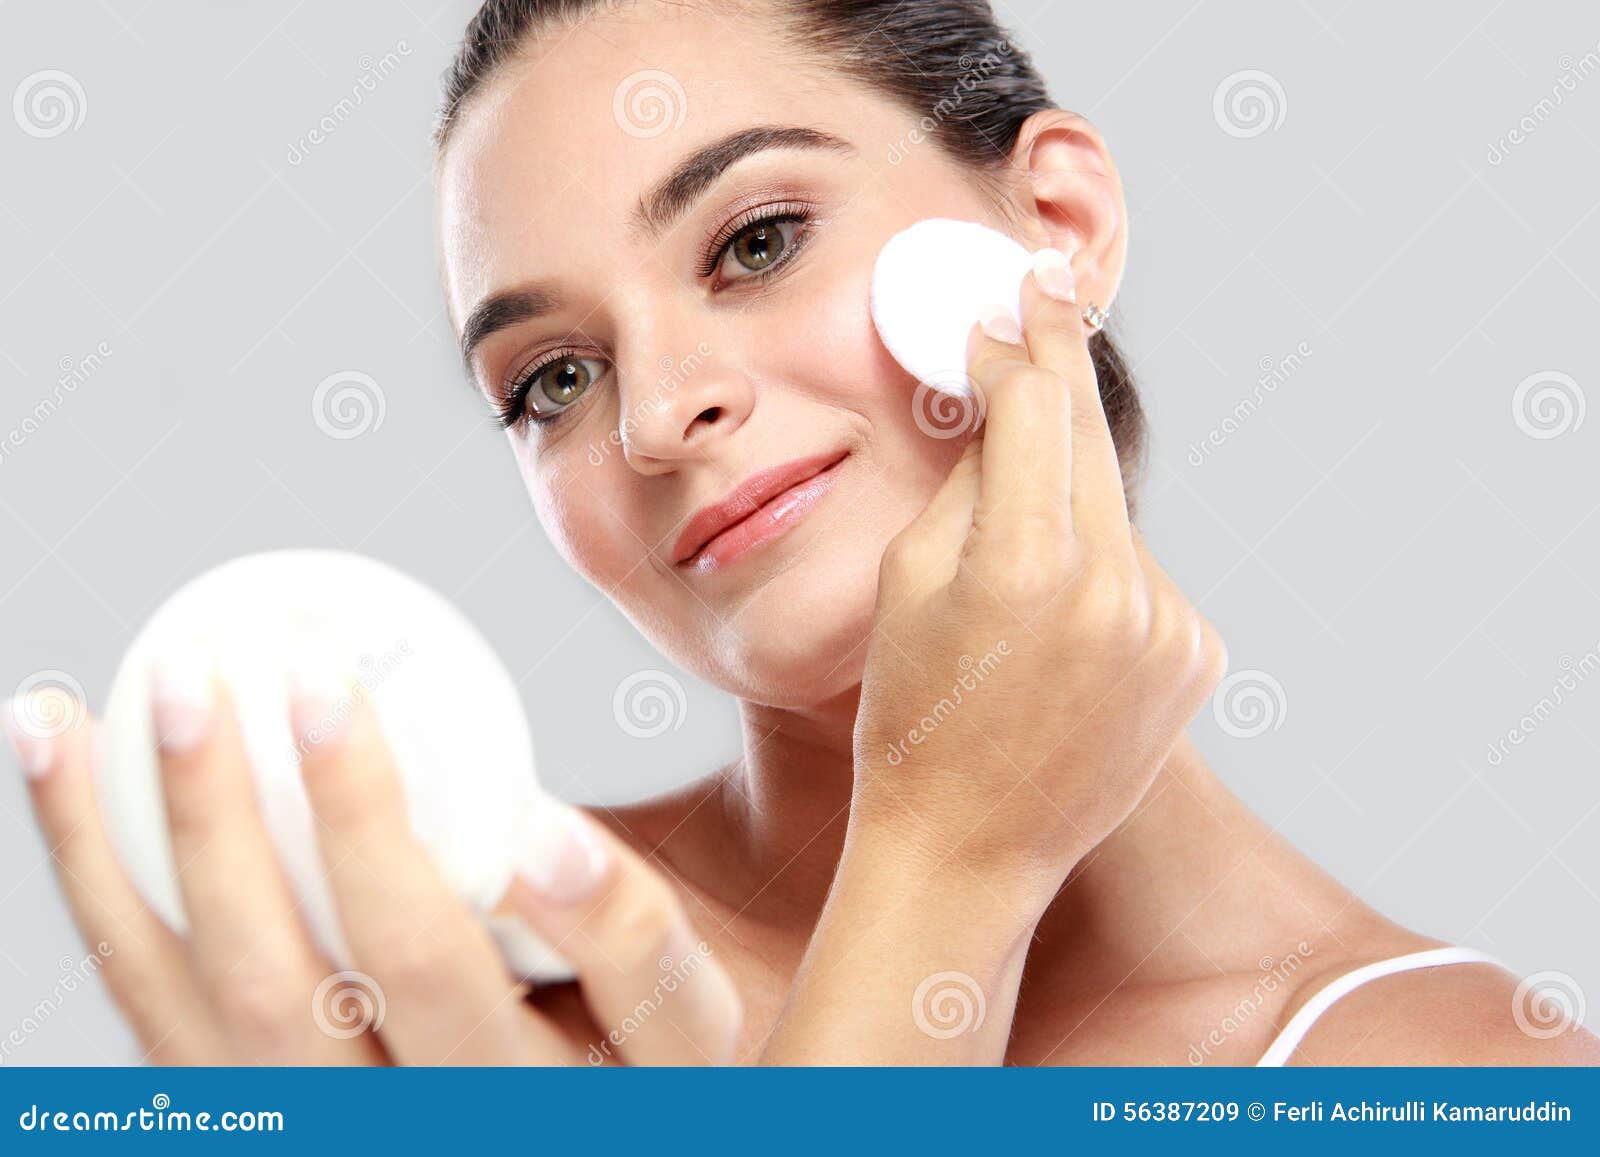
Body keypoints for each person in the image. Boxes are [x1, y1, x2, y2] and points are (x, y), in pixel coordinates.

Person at [12, 0, 1598, 1066]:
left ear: (1055, 225)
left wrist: (951, 851)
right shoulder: (455, 982)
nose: (652, 416)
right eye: (552, 376)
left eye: (757, 239)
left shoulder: (1456, 1065)